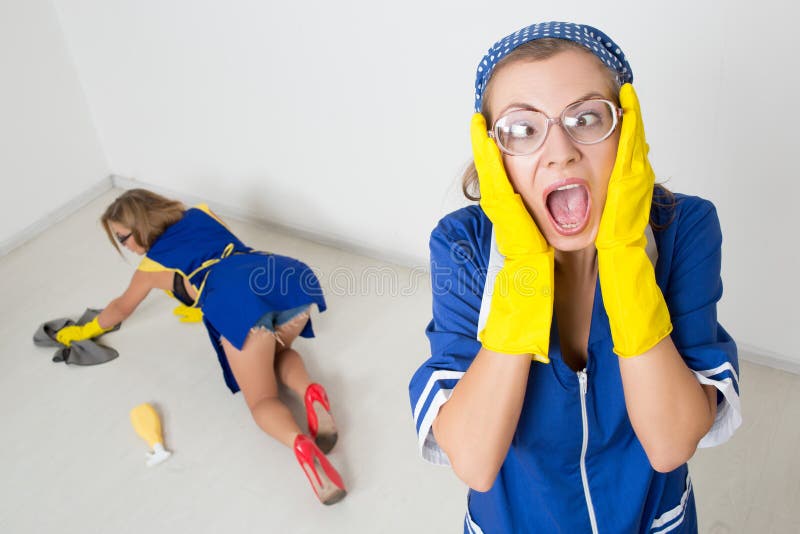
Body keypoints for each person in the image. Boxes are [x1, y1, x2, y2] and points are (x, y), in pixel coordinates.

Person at [409, 22, 740, 533]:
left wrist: (626, 256)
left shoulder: (686, 228)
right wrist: (523, 273)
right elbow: (473, 461)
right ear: (493, 157)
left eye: (586, 117)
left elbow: (671, 444)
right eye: (522, 130)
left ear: (627, 133)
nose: (560, 151)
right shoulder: (462, 245)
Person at [56, 189, 346, 505]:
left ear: (139, 228)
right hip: (285, 275)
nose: (124, 245)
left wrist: (82, 331)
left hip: (238, 306)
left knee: (262, 399)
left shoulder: (151, 267)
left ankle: (300, 444)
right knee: (277, 351)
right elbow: (224, 258)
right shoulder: (202, 213)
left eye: (122, 237)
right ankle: (310, 392)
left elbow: (120, 310)